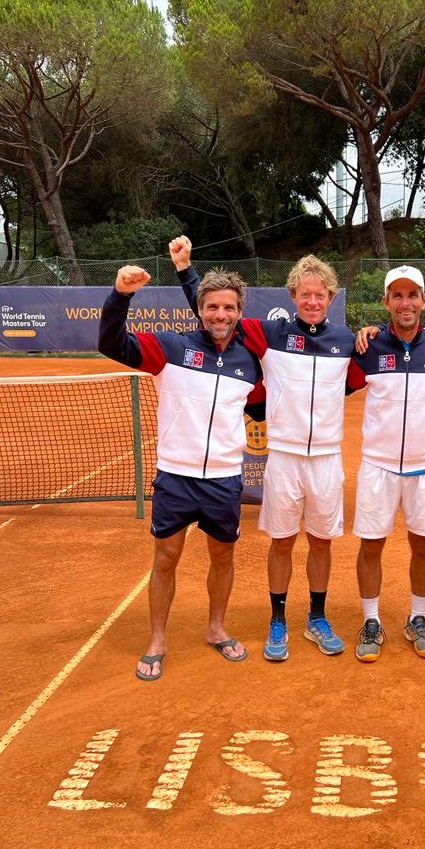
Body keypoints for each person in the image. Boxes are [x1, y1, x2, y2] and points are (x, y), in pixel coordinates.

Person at [171, 236, 361, 662]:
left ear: (330, 298)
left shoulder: (347, 341)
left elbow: (382, 355)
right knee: (281, 541)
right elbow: (215, 314)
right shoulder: (269, 334)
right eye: (305, 294)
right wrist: (187, 271)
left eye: (320, 295)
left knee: (322, 542)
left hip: (328, 457)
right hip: (285, 458)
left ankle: (316, 617)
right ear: (293, 296)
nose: (313, 301)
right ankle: (278, 621)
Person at [98, 264, 264, 680]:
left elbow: (262, 405)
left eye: (228, 307)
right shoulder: (171, 348)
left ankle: (216, 628)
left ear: (239, 311)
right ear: (200, 309)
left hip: (225, 479)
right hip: (175, 477)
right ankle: (157, 640)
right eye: (211, 306)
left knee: (222, 557)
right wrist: (121, 294)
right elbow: (111, 343)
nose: (220, 314)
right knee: (166, 558)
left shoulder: (251, 363)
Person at [349, 266, 425, 662]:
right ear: (386, 303)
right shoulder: (368, 347)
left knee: (423, 547)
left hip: (424, 468)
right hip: (377, 467)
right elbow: (335, 382)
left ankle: (417, 618)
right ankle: (372, 621)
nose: (405, 302)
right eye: (397, 295)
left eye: (413, 294)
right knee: (371, 546)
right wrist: (363, 332)